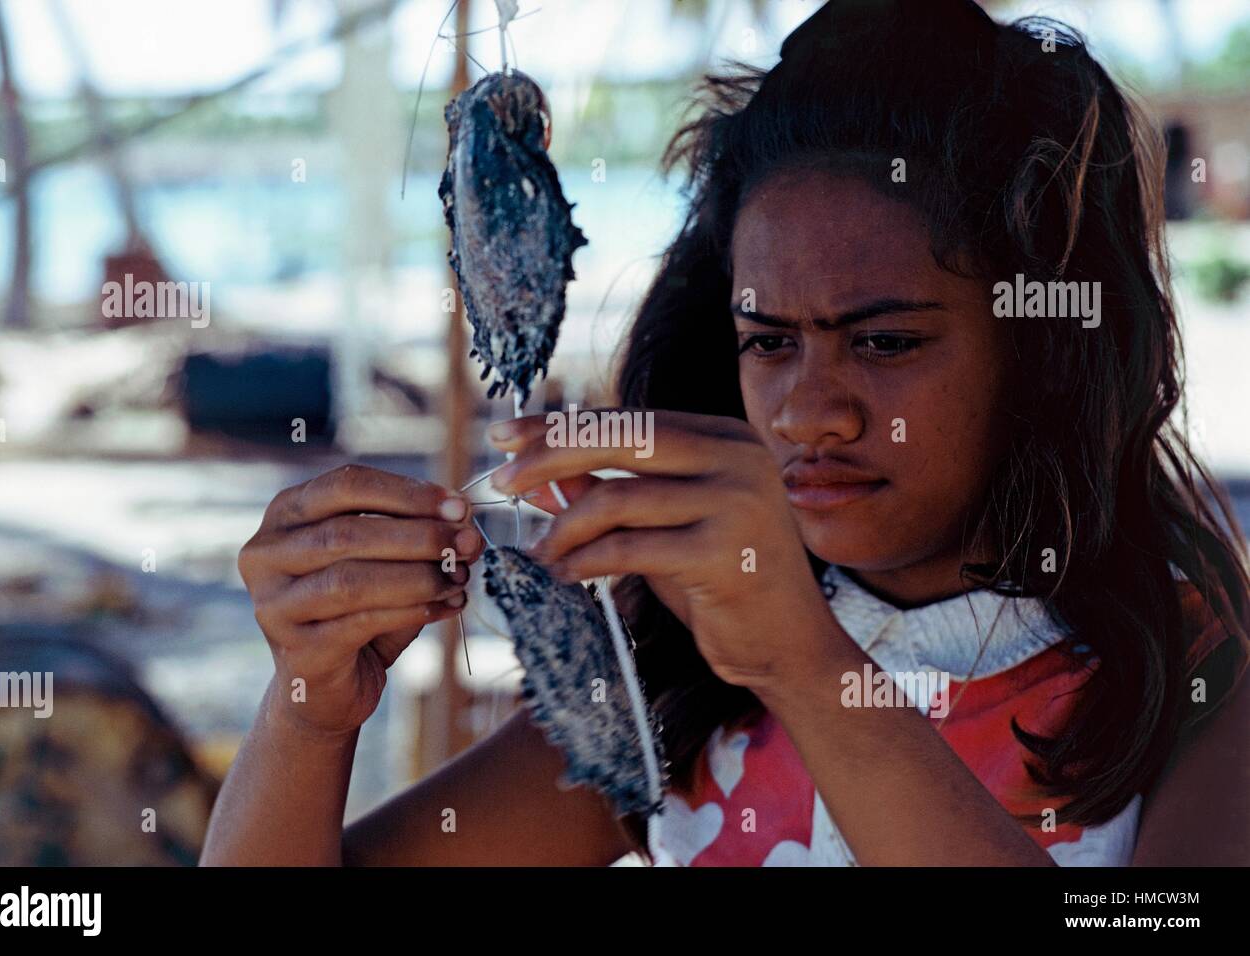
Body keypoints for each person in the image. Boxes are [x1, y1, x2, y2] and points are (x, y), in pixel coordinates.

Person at [201, 0, 1249, 866]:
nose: (807, 409)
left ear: (1046, 349)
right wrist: (310, 707)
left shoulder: (1198, 686)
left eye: (883, 342)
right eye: (767, 340)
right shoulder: (686, 677)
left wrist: (806, 665)